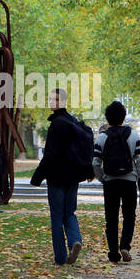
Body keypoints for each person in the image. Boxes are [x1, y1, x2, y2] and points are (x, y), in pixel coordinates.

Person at [30, 89, 87, 266]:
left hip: (57, 177)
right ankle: (74, 240)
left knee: (56, 216)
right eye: (49, 99)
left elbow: (51, 154)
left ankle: (60, 257)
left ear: (62, 101)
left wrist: (38, 176)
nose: (51, 102)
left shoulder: (56, 124)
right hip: (72, 176)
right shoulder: (73, 122)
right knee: (69, 212)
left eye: (54, 99)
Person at [93, 100, 140, 263]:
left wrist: (103, 178)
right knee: (129, 215)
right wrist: (136, 175)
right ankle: (125, 246)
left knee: (111, 218)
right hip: (129, 180)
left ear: (107, 118)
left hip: (110, 182)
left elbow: (95, 163)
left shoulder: (102, 137)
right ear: (123, 117)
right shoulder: (133, 135)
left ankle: (113, 252)